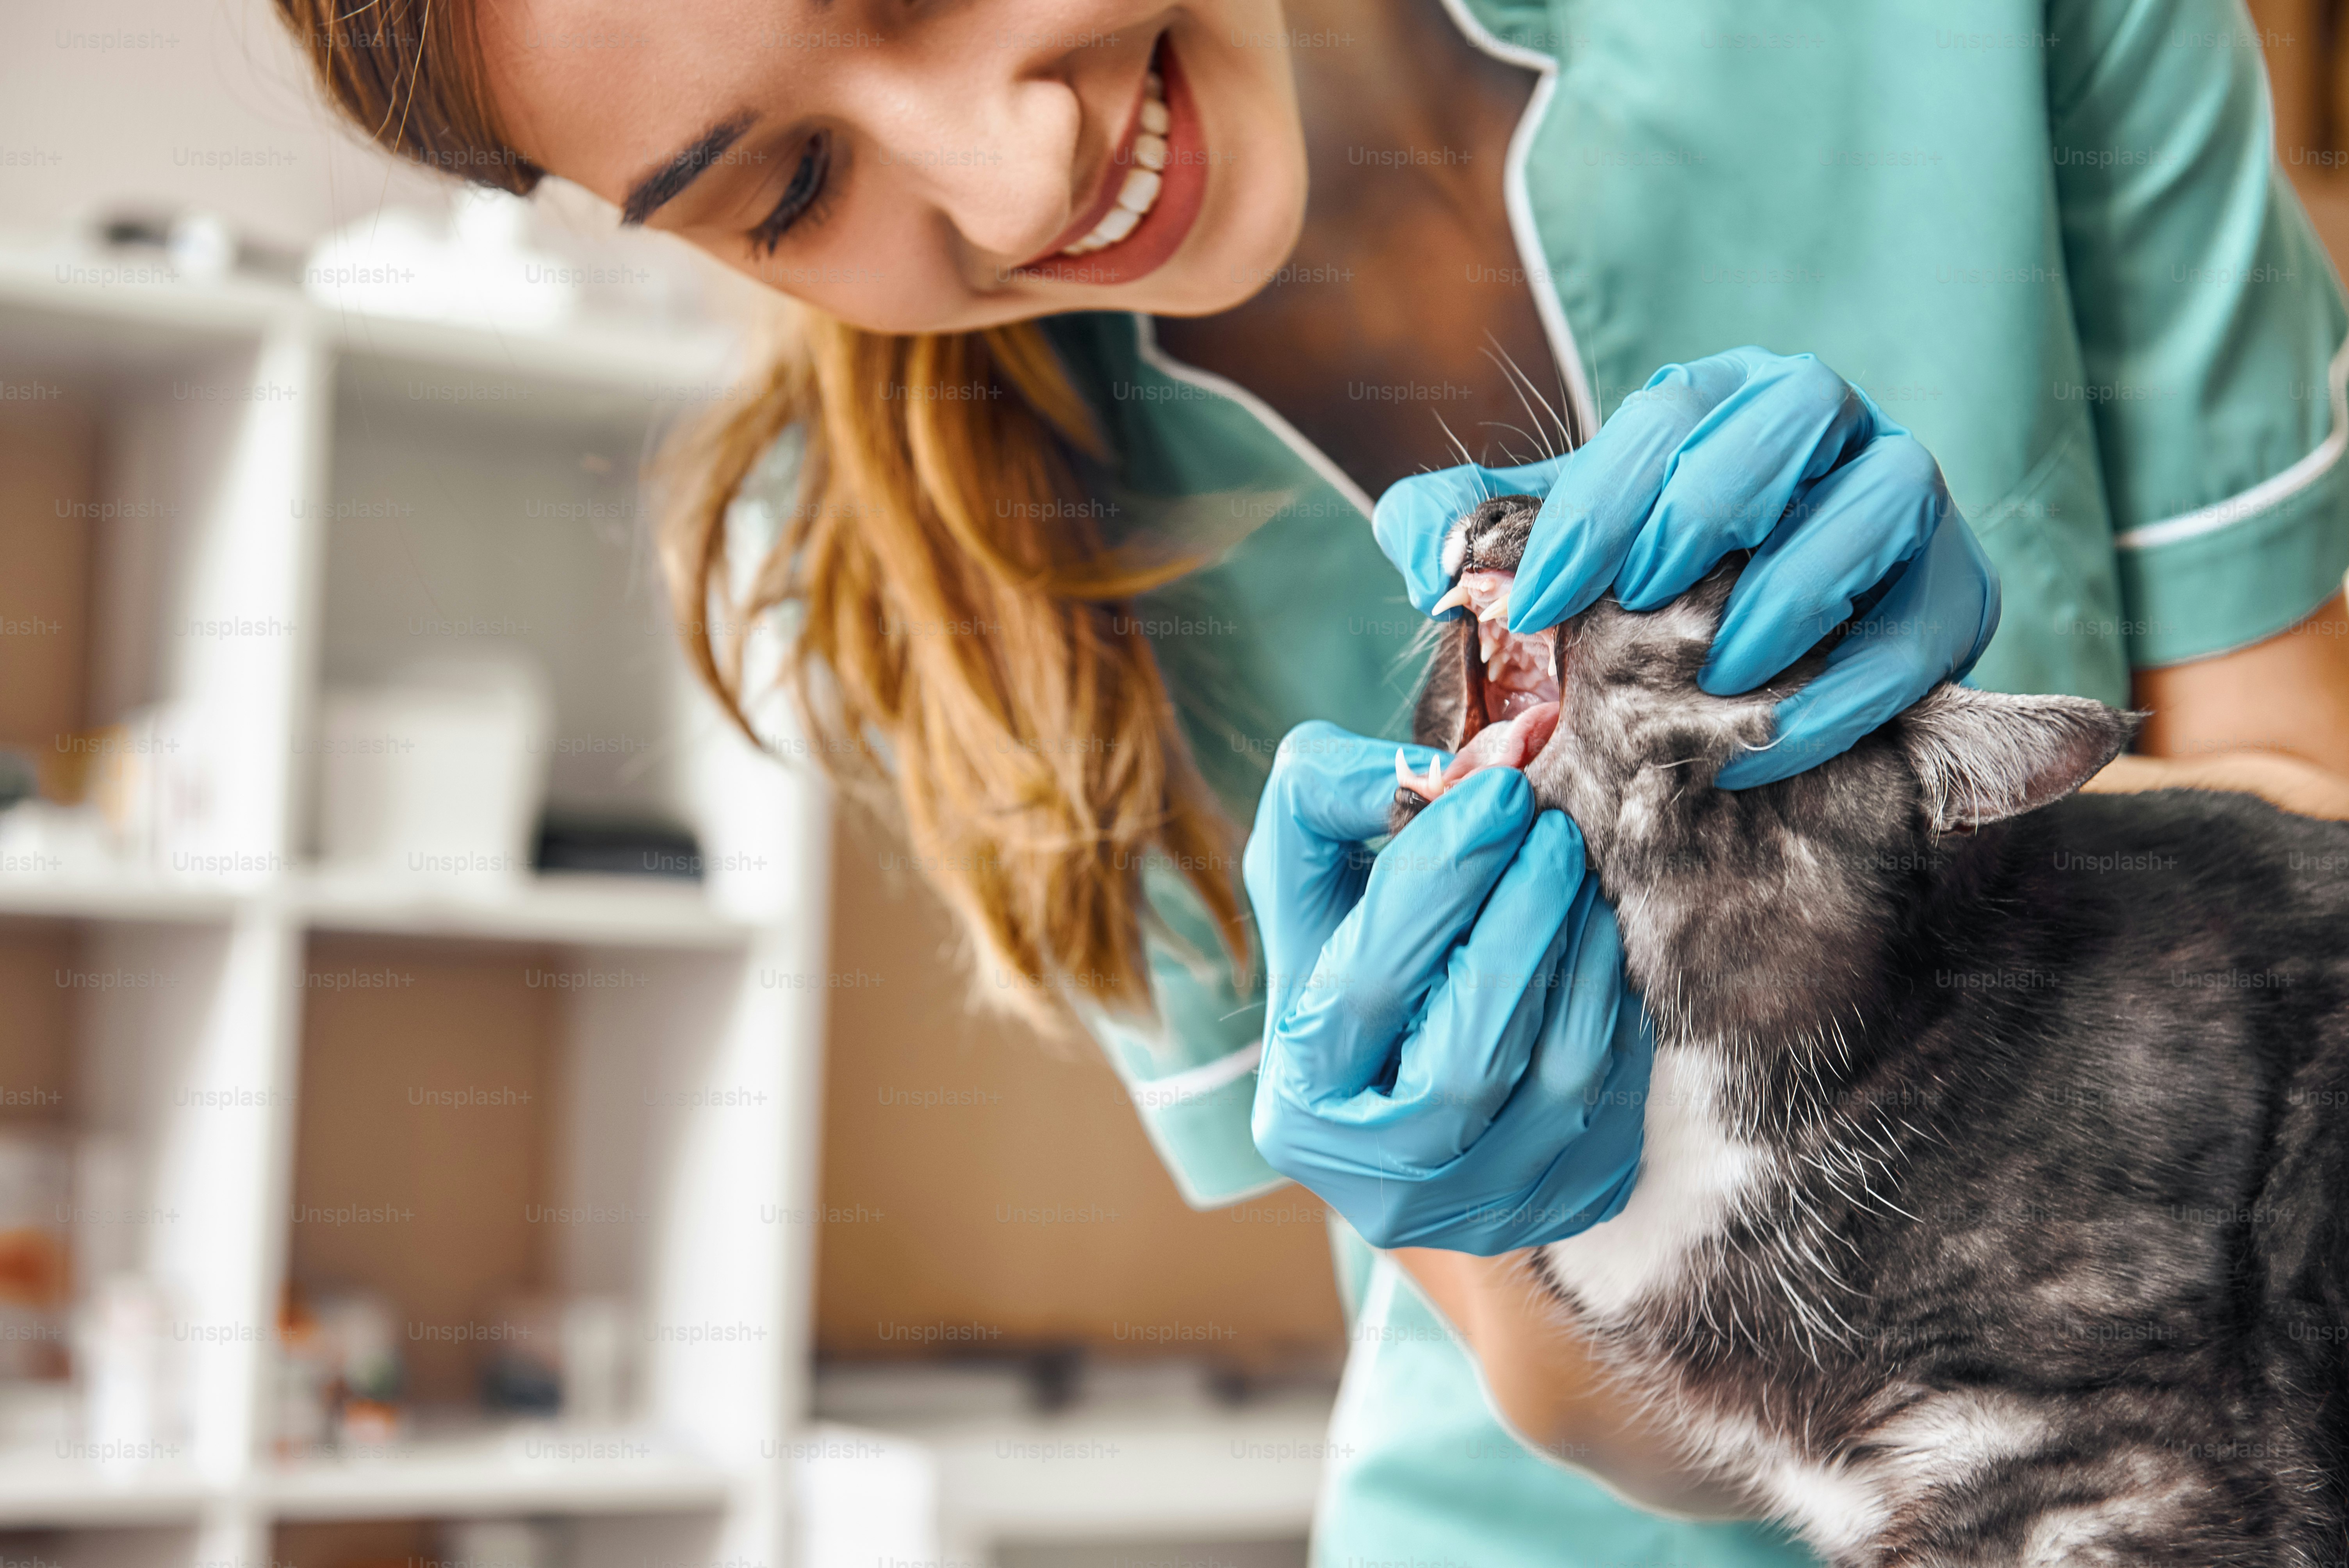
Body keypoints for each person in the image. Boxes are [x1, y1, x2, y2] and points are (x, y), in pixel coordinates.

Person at [274, 0, 2349, 1559]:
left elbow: (2305, 837)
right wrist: (1507, 1218)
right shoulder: (924, 570)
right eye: (790, 191)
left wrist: (1970, 806)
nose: (1013, 182)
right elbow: (1560, 1386)